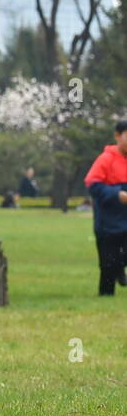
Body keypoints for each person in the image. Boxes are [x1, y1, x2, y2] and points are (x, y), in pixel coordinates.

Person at [84, 120, 127, 297]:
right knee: (107, 266)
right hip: (107, 224)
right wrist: (117, 194)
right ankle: (105, 298)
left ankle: (119, 269)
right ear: (118, 136)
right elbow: (92, 185)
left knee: (118, 260)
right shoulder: (106, 159)